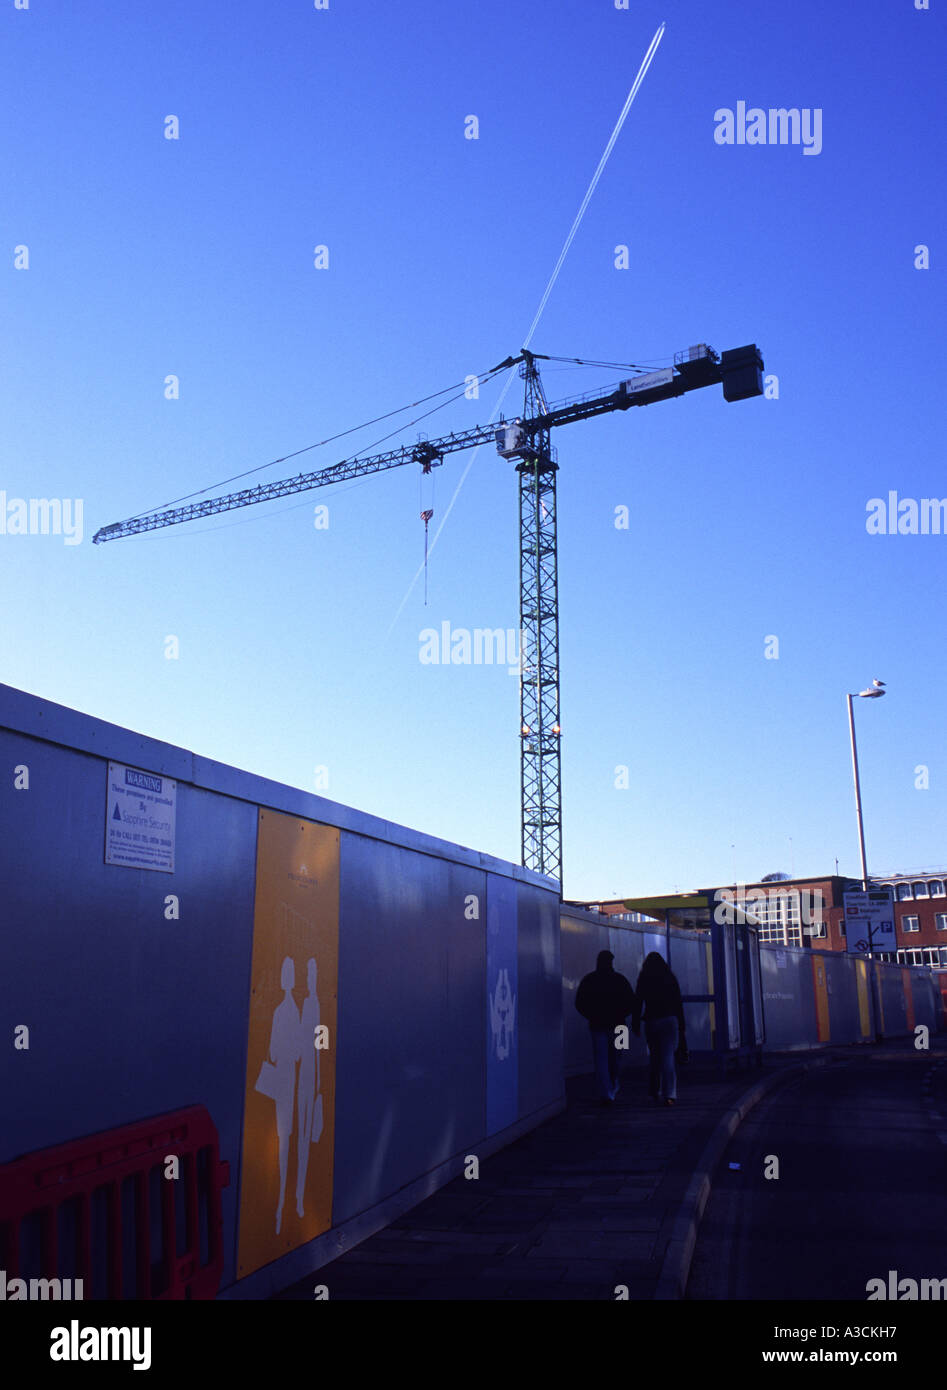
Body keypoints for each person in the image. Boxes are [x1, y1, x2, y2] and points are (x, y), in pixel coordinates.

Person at [575, 949, 636, 1104]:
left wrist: (591, 1015)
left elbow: (579, 1003)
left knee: (601, 1059)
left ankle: (606, 1092)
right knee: (618, 1057)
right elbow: (632, 1001)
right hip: (620, 1026)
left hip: (598, 1025)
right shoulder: (620, 980)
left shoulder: (589, 980)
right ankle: (615, 1083)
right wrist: (623, 1014)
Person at [632, 952, 687, 1106]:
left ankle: (654, 1090)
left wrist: (635, 1023)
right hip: (670, 1020)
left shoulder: (644, 978)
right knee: (668, 1057)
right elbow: (678, 1002)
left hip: (651, 1021)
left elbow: (638, 1001)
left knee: (655, 1057)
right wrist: (682, 1025)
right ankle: (669, 1094)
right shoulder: (670, 977)